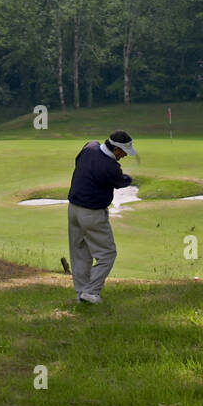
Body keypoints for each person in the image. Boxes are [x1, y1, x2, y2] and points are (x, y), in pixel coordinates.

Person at [67, 130, 137, 305]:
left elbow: (79, 162)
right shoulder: (111, 167)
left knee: (80, 254)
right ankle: (91, 292)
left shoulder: (89, 146)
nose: (124, 156)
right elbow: (121, 182)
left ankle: (81, 293)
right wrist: (129, 178)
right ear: (116, 150)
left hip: (73, 210)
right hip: (92, 214)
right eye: (124, 153)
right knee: (107, 254)